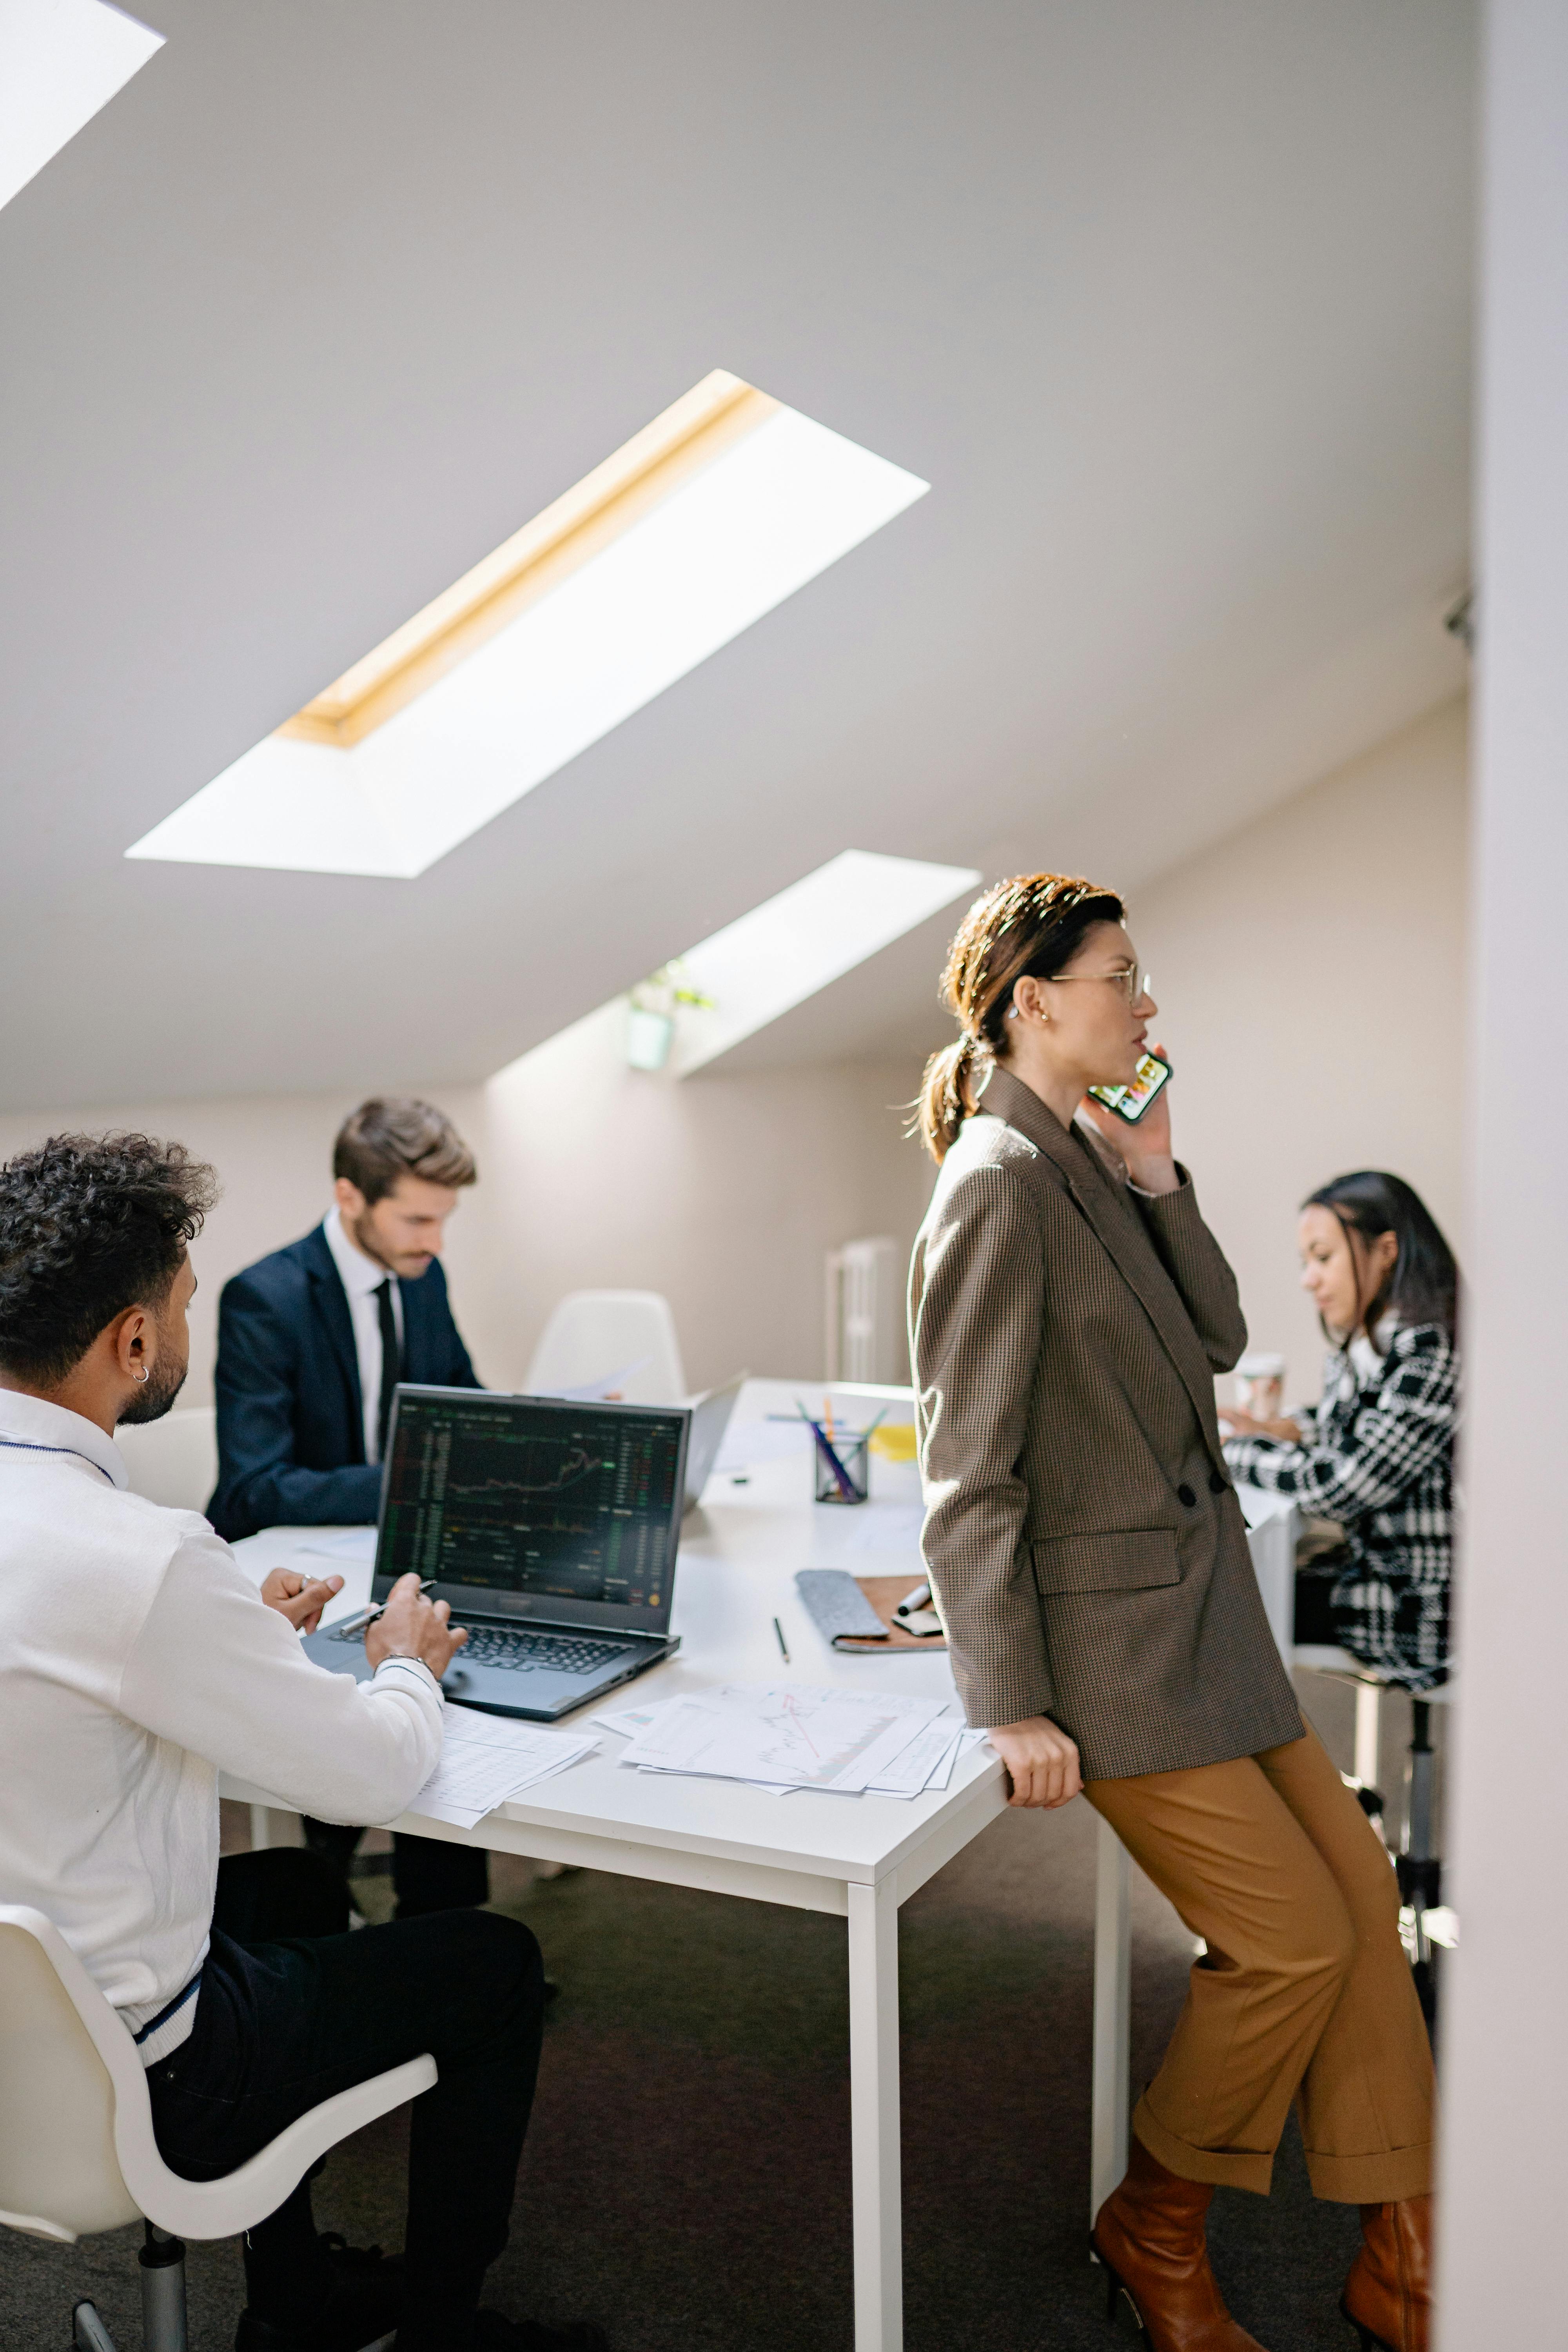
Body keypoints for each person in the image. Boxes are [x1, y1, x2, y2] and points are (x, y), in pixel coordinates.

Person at [907, 875, 1435, 2352]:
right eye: (1123, 979)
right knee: (1291, 1946)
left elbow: (1213, 1332)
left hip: (1208, 1623)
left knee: (1362, 1902)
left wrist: (1154, 1166)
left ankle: (1409, 2253)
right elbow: (967, 1469)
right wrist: (1008, 1699)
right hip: (1117, 1653)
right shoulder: (994, 1182)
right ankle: (1154, 2223)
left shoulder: (1080, 1153)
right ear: (1037, 1002)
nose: (1146, 1008)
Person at [0, 1132, 605, 2352]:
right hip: (151, 2078)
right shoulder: (143, 1557)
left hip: (20, 2031)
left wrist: (232, 1636)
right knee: (490, 1963)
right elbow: (374, 1768)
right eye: (181, 1306)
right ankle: (446, 2331)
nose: (186, 1329)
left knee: (287, 1893)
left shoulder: (123, 1559)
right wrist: (401, 1669)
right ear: (130, 1342)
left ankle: (295, 2304)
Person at [210, 1097, 488, 1918]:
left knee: (458, 1652)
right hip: (302, 1574)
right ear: (349, 1198)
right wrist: (415, 1476)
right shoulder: (265, 1296)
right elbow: (254, 1486)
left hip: (401, 1553)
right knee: (419, 1652)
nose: (434, 1242)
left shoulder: (421, 1273)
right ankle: (359, 1918)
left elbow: (460, 1407)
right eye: (416, 1220)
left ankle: (443, 1929)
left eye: (443, 1220)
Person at [1218, 1171, 1459, 1693]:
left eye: (1323, 1258)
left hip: (1419, 1610)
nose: (1309, 1279)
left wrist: (1233, 1452)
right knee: (1236, 1594)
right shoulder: (1373, 1346)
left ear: (1386, 1251)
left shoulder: (1430, 1354)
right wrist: (1280, 1429)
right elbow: (1346, 1424)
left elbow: (1340, 1485)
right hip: (1379, 1578)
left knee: (1224, 1613)